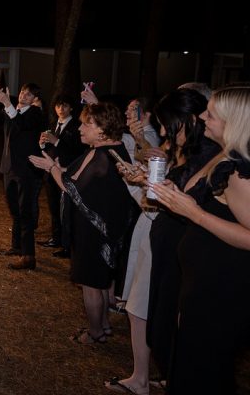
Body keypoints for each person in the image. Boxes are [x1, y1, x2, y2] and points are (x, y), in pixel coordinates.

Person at [105, 88, 218, 395]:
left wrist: (152, 181)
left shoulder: (212, 158)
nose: (165, 131)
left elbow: (192, 204)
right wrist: (144, 178)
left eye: (168, 124)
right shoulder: (189, 150)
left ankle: (157, 378)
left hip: (177, 245)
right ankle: (156, 376)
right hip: (164, 236)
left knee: (158, 315)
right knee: (146, 310)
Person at [150, 85, 250, 394]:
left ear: (234, 122)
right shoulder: (224, 157)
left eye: (212, 114)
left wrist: (195, 214)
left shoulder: (238, 173)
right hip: (203, 284)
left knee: (204, 373)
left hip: (221, 290)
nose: (203, 116)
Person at [30, 102, 138, 344]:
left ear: (101, 130)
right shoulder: (110, 149)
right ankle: (105, 325)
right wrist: (58, 168)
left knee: (90, 282)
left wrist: (51, 168)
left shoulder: (101, 155)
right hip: (104, 228)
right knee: (100, 280)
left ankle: (95, 332)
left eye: (86, 123)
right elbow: (78, 176)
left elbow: (72, 188)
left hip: (94, 231)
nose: (80, 128)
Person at [0, 81, 47, 270]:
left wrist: (7, 104)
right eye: (22, 92)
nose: (23, 96)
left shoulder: (36, 115)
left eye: (29, 95)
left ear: (35, 99)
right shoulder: (11, 110)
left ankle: (29, 257)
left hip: (27, 171)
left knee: (25, 212)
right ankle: (16, 247)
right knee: (15, 211)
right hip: (9, 169)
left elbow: (20, 124)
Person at [38, 93, 85, 257]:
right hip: (51, 171)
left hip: (67, 171)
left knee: (66, 209)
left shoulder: (76, 126)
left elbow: (78, 150)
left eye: (64, 106)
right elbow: (51, 148)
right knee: (53, 206)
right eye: (58, 106)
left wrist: (56, 141)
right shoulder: (54, 124)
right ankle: (56, 237)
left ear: (71, 107)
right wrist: (42, 145)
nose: (61, 109)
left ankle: (67, 245)